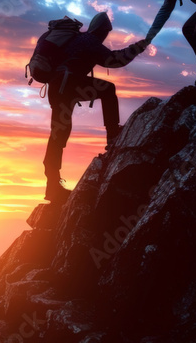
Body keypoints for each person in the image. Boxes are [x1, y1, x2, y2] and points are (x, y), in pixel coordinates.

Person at [43, 12, 147, 202]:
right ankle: (113, 135)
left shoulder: (80, 40)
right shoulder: (89, 41)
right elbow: (114, 60)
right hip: (67, 87)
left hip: (59, 88)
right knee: (108, 90)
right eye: (106, 32)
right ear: (101, 30)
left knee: (58, 135)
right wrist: (137, 48)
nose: (105, 36)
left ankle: (52, 186)